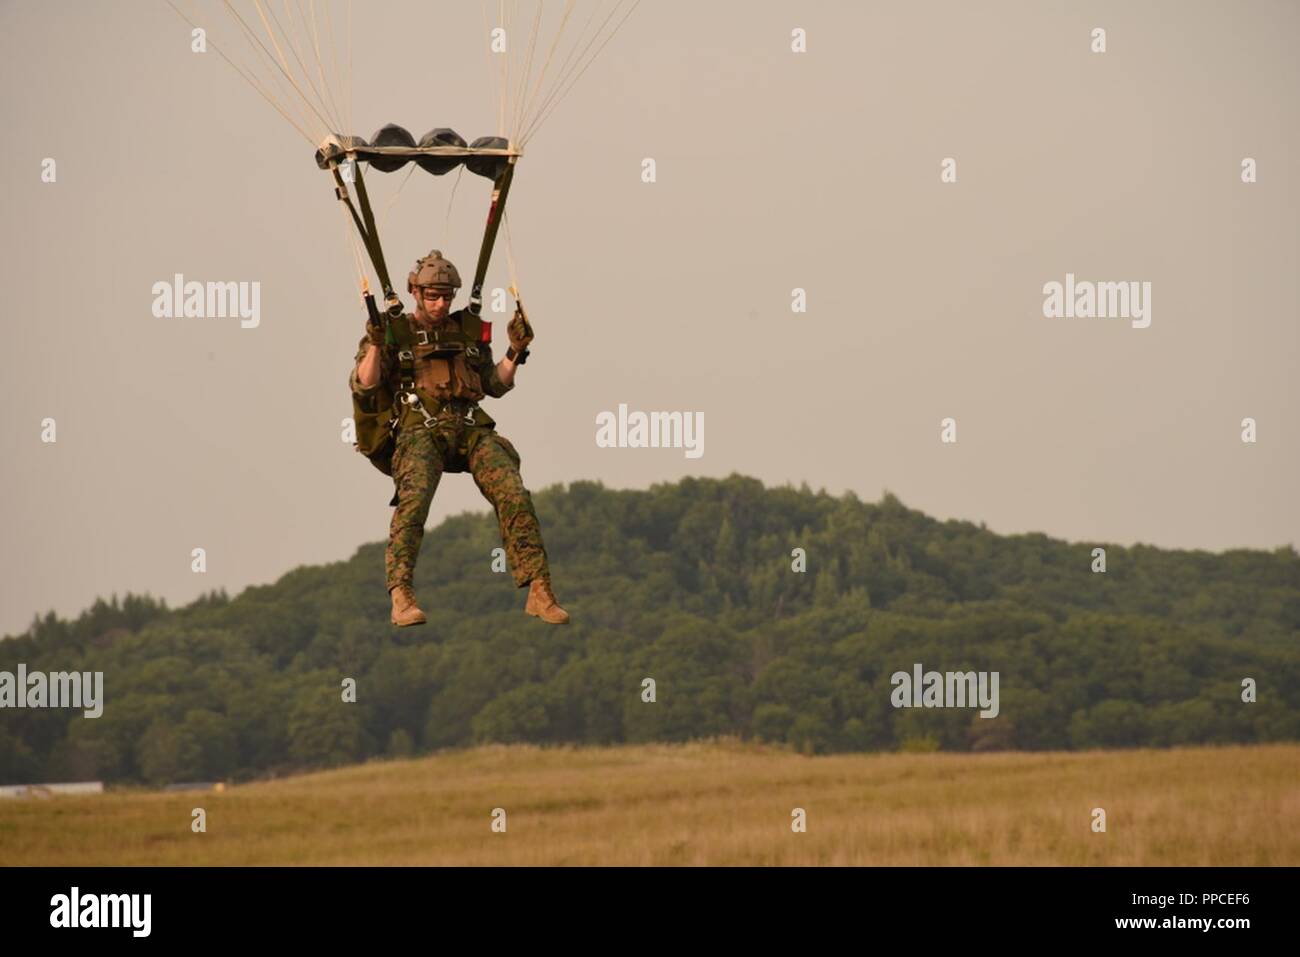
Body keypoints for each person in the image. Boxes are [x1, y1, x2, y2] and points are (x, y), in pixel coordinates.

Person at [350, 249, 570, 627]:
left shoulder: (466, 333)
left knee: (513, 492)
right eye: (432, 295)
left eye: (446, 297)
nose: (439, 304)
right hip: (420, 431)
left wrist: (515, 352)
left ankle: (539, 588)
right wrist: (374, 343)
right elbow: (364, 384)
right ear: (415, 292)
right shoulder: (392, 332)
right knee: (414, 501)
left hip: (469, 428)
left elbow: (493, 384)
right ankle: (401, 593)